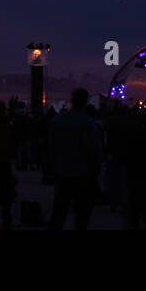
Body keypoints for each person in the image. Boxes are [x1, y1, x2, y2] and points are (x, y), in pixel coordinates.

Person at [48, 88, 102, 229]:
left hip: (63, 172)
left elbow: (51, 146)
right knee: (82, 215)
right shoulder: (89, 123)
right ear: (85, 102)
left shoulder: (58, 120)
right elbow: (95, 150)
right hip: (83, 174)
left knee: (59, 213)